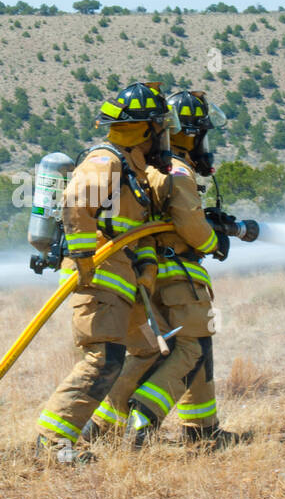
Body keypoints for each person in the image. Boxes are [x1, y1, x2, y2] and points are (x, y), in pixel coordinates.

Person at [85, 90, 241, 447]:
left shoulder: (148, 170)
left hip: (148, 274)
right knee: (193, 349)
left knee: (155, 353)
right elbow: (190, 226)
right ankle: (146, 416)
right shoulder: (179, 171)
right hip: (178, 276)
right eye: (201, 132)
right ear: (189, 132)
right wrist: (214, 242)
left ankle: (107, 428)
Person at [33, 83, 172, 463]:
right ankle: (52, 442)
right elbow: (78, 204)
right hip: (100, 282)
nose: (165, 135)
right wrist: (84, 261)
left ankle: (101, 426)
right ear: (144, 130)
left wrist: (147, 266)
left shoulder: (133, 172)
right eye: (161, 127)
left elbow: (137, 229)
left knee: (150, 350)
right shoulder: (105, 161)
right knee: (103, 359)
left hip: (125, 285)